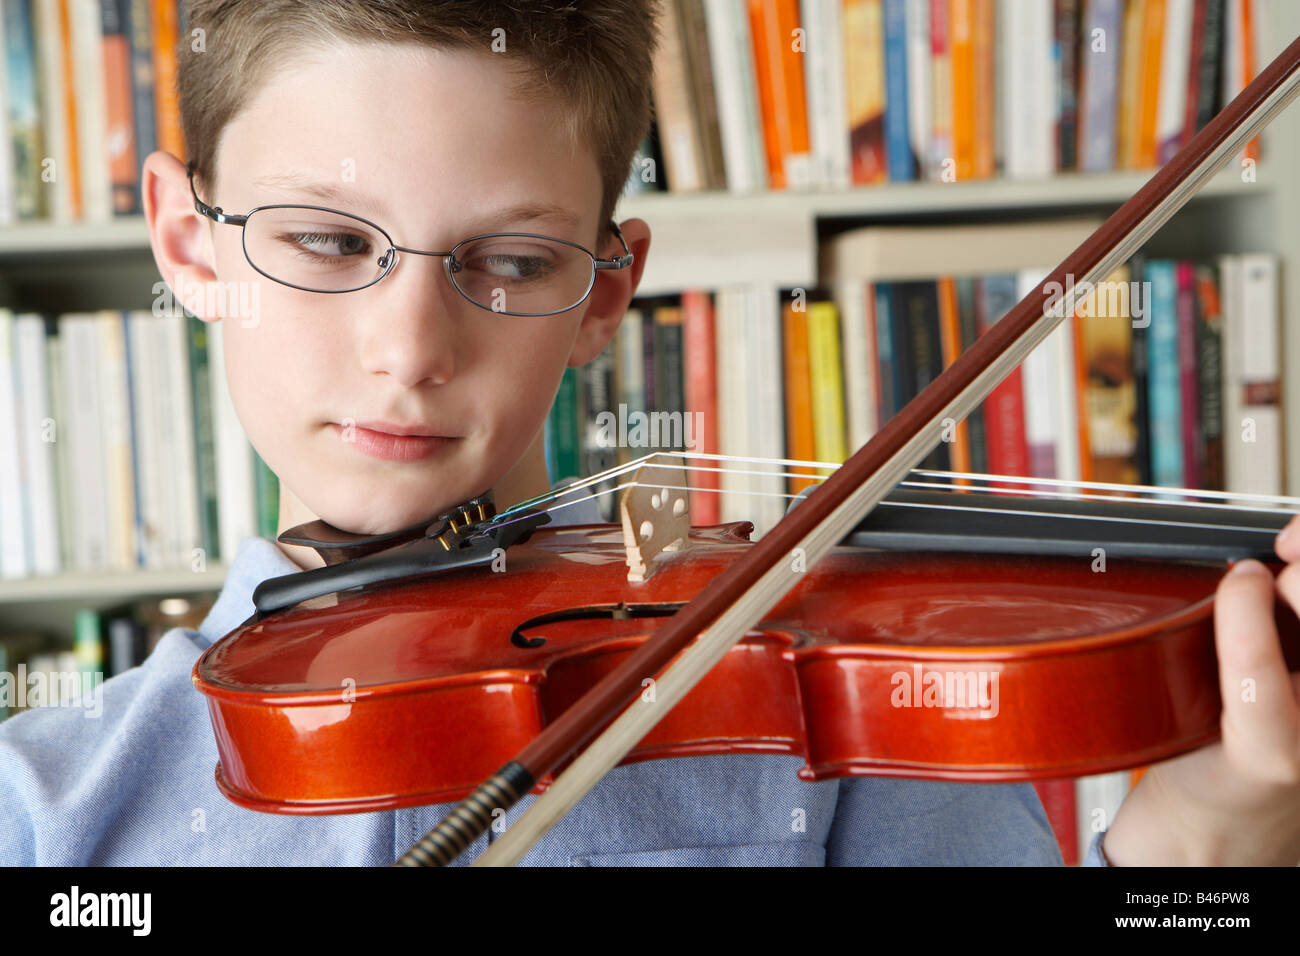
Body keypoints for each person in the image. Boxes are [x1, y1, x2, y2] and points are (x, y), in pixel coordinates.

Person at [2, 0, 1298, 867]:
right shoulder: (47, 816)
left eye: (508, 261)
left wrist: (1194, 857)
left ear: (605, 297)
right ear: (190, 246)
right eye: (328, 242)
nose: (409, 349)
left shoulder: (801, 720)